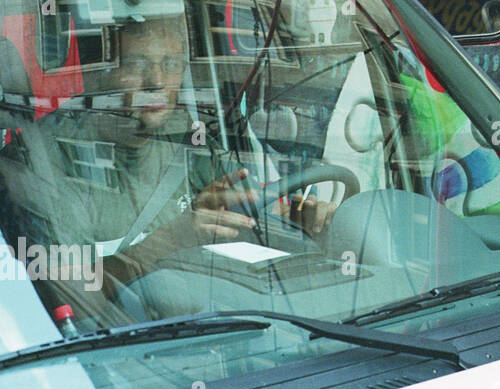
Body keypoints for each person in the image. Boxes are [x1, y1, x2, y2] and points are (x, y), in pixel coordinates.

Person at [0, 16, 334, 309]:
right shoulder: (42, 160)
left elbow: (250, 216)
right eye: (134, 64)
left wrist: (295, 224)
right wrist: (168, 243)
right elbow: (70, 300)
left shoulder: (189, 138)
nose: (156, 82)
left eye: (171, 65)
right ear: (95, 74)